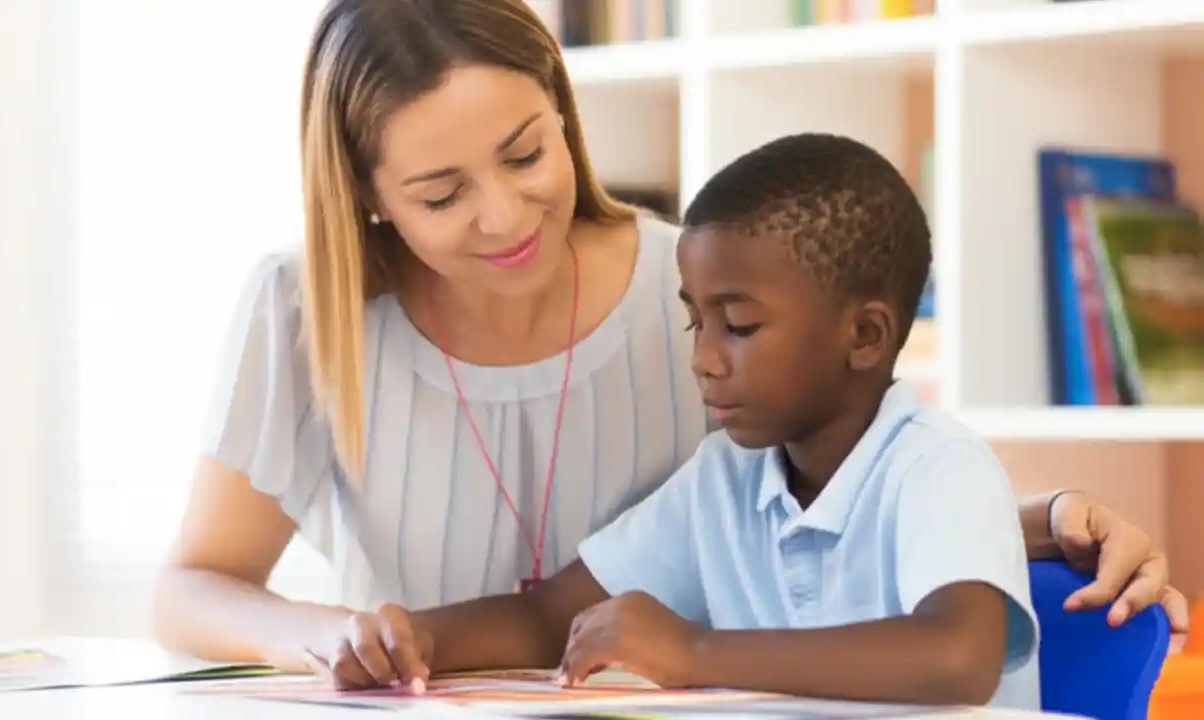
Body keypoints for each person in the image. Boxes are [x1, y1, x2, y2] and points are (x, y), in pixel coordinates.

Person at [150, 0, 1187, 677]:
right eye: (439, 193)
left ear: (562, 111)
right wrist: (382, 638)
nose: (505, 217)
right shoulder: (303, 308)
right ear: (368, 201)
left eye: (523, 155)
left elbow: (898, 549)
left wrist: (1046, 519)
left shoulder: (699, 284)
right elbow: (557, 610)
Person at [300, 133, 1042, 709]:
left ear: (866, 336)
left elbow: (958, 657)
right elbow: (551, 616)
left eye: (740, 327)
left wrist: (696, 651)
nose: (706, 361)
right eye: (697, 325)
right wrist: (413, 637)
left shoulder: (938, 467)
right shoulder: (726, 478)